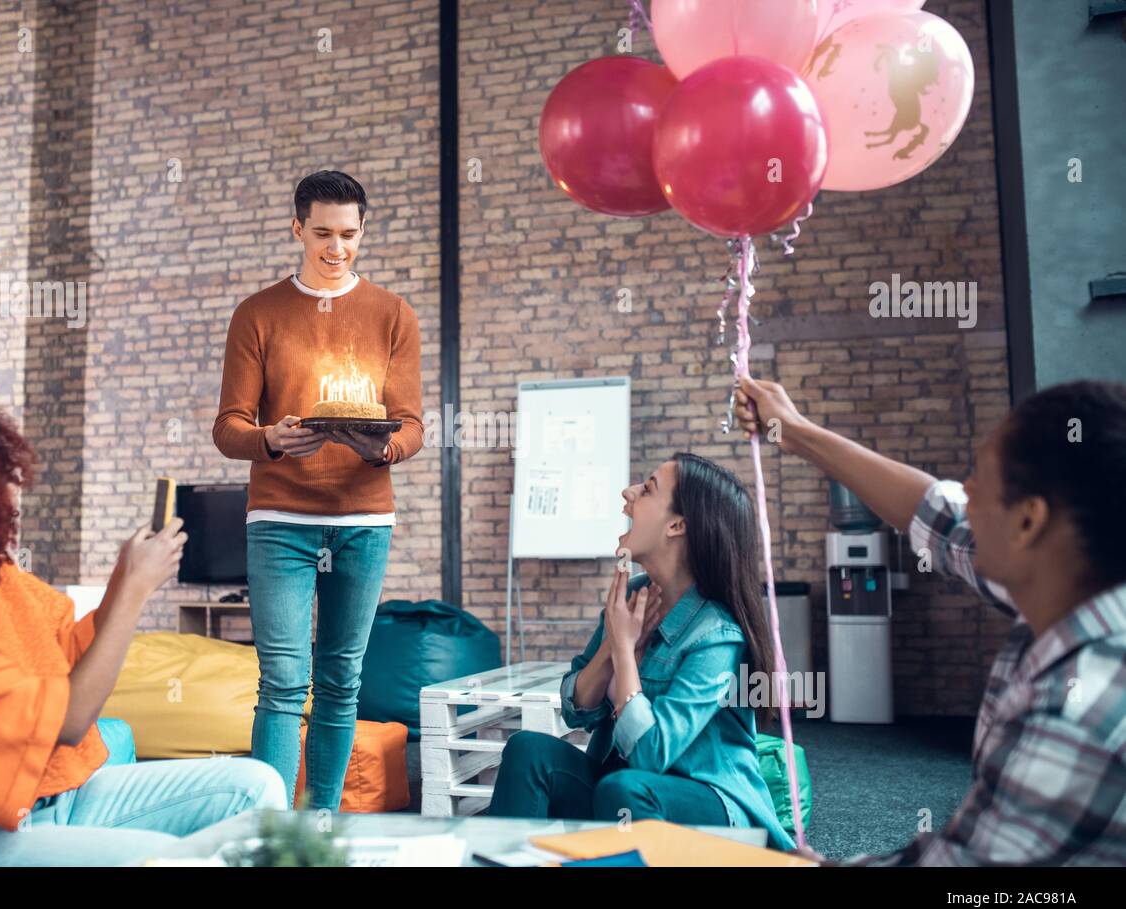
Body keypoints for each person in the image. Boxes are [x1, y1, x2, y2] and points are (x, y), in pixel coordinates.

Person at [0, 398, 285, 866]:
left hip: (62, 795)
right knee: (170, 861)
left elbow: (69, 650)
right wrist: (133, 591)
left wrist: (125, 580)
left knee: (255, 789)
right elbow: (68, 723)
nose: (12, 499)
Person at [734, 373, 1126, 865]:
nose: (965, 490)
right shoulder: (1072, 577)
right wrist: (793, 430)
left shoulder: (1078, 713)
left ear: (1028, 522)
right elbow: (938, 515)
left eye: (980, 477)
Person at [213, 170, 423, 811]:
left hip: (363, 521)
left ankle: (323, 825)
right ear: (297, 228)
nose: (337, 248)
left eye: (350, 235)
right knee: (282, 681)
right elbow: (229, 428)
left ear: (363, 231)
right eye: (323, 233)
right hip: (280, 519)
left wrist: (382, 447)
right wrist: (271, 439)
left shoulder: (393, 314)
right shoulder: (258, 313)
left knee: (341, 678)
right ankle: (269, 828)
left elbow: (412, 426)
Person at [486, 453, 797, 851]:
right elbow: (576, 709)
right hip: (621, 795)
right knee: (529, 750)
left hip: (710, 813)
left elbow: (652, 754)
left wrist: (623, 651)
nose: (628, 494)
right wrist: (612, 649)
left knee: (627, 787)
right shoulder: (632, 597)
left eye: (647, 489)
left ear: (677, 525)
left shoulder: (717, 636)